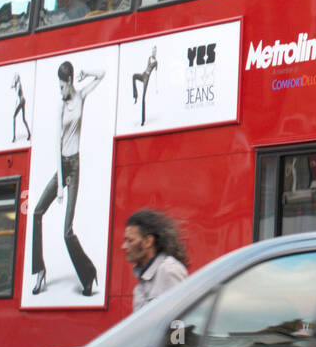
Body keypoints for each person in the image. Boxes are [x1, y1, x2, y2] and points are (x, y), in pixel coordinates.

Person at [31, 61, 105, 297]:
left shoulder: (81, 96)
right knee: (37, 212)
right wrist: (59, 185)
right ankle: (39, 270)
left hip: (75, 166)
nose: (60, 90)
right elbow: (56, 144)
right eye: (59, 86)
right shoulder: (59, 107)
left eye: (62, 86)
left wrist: (88, 71)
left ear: (71, 82)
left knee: (66, 231)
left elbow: (101, 74)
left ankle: (87, 275)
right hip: (62, 165)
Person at [123, 208, 189, 311]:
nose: (124, 246)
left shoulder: (169, 270)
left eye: (130, 240)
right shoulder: (142, 280)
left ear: (148, 241)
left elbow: (179, 320)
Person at [132, 46, 157, 127]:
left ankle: (143, 120)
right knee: (134, 76)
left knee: (143, 98)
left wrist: (156, 87)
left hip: (147, 78)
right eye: (153, 51)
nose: (153, 52)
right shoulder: (149, 58)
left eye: (155, 51)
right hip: (143, 74)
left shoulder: (156, 62)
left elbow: (156, 73)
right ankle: (135, 96)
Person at [11, 73, 31, 142]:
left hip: (21, 101)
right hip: (23, 100)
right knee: (23, 118)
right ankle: (29, 133)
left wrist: (16, 105)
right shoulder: (17, 84)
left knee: (14, 117)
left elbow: (17, 95)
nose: (15, 79)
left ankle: (14, 137)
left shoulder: (19, 84)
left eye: (16, 78)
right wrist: (13, 83)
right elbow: (12, 86)